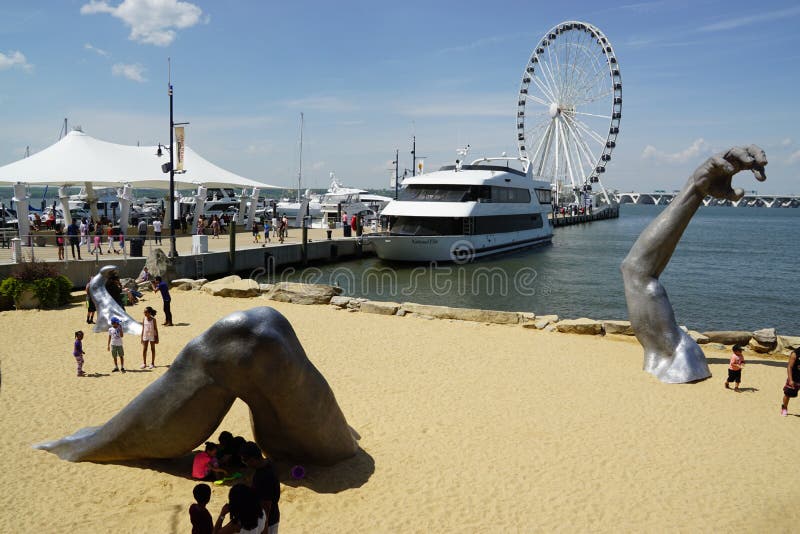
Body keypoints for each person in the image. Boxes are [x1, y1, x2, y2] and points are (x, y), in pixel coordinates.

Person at [241, 441, 280, 534]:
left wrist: (264, 528)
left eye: (244, 460)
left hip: (268, 521)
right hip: (273, 515)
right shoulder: (269, 462)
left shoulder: (263, 477)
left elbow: (266, 505)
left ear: (253, 459)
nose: (245, 463)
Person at [781, 348, 800, 417]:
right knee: (788, 394)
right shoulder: (795, 354)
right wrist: (790, 380)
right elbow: (789, 367)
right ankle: (784, 407)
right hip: (794, 378)